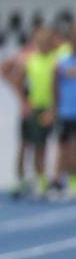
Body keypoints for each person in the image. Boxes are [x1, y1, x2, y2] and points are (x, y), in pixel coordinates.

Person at [1, 27, 68, 199]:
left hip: (50, 107)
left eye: (48, 41)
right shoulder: (28, 59)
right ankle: (22, 179)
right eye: (41, 41)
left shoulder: (56, 58)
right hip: (33, 107)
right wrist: (24, 103)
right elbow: (12, 77)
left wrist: (53, 109)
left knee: (44, 145)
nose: (45, 44)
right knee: (26, 144)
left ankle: (44, 179)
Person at [56, 25, 76, 198]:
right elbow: (54, 86)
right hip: (67, 111)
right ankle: (65, 180)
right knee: (65, 148)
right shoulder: (61, 60)